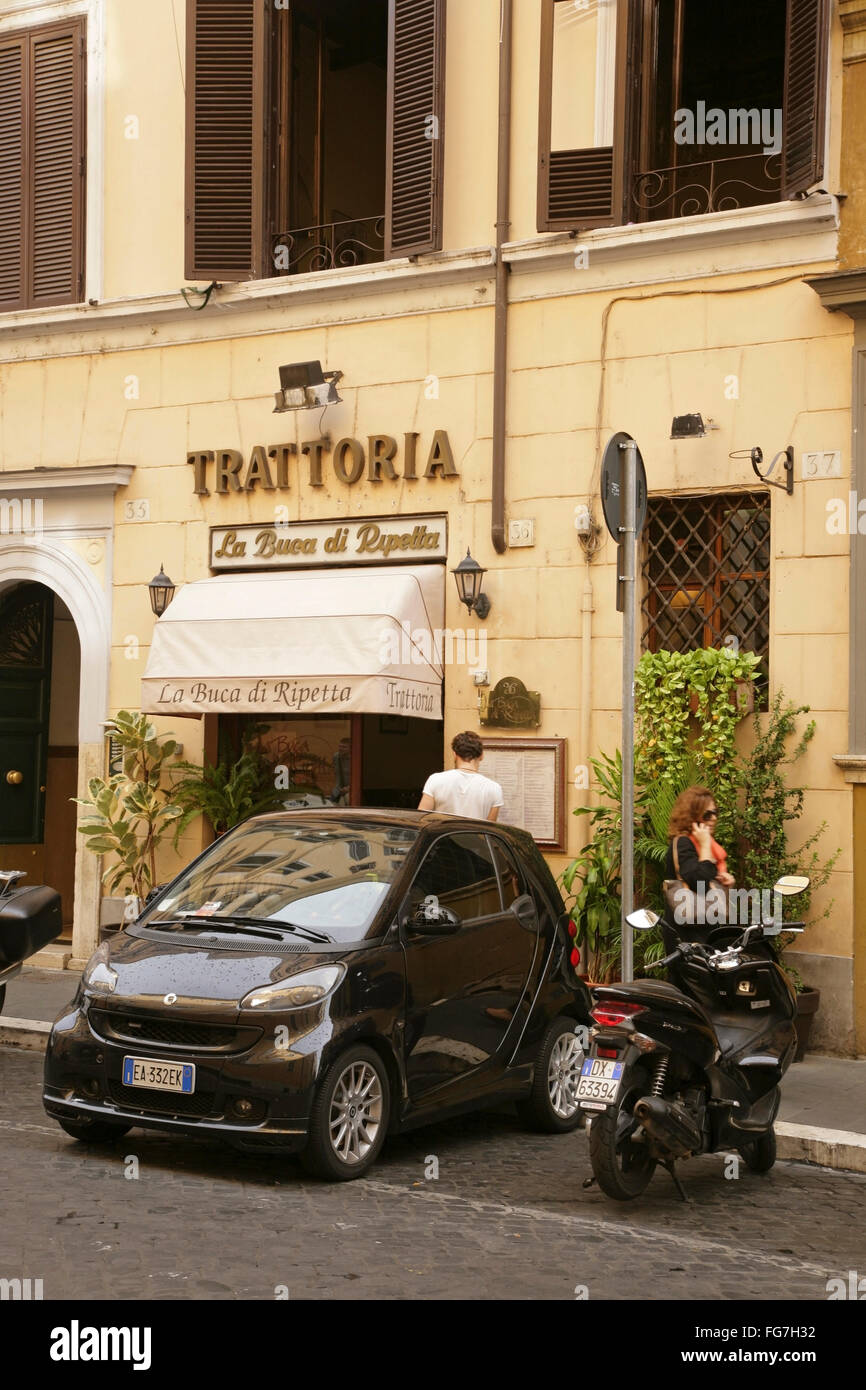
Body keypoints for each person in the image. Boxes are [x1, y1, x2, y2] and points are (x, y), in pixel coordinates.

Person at [664, 785, 735, 941]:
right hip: (686, 936)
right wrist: (704, 846)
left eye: (715, 812)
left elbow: (706, 878)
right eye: (708, 814)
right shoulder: (683, 843)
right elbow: (699, 880)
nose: (714, 818)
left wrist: (724, 880)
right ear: (692, 817)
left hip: (706, 928)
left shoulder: (709, 846)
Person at [418, 731, 504, 821]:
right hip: (475, 835)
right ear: (482, 755)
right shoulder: (494, 788)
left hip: (443, 835)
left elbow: (422, 820)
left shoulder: (435, 779)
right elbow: (490, 829)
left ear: (454, 754)